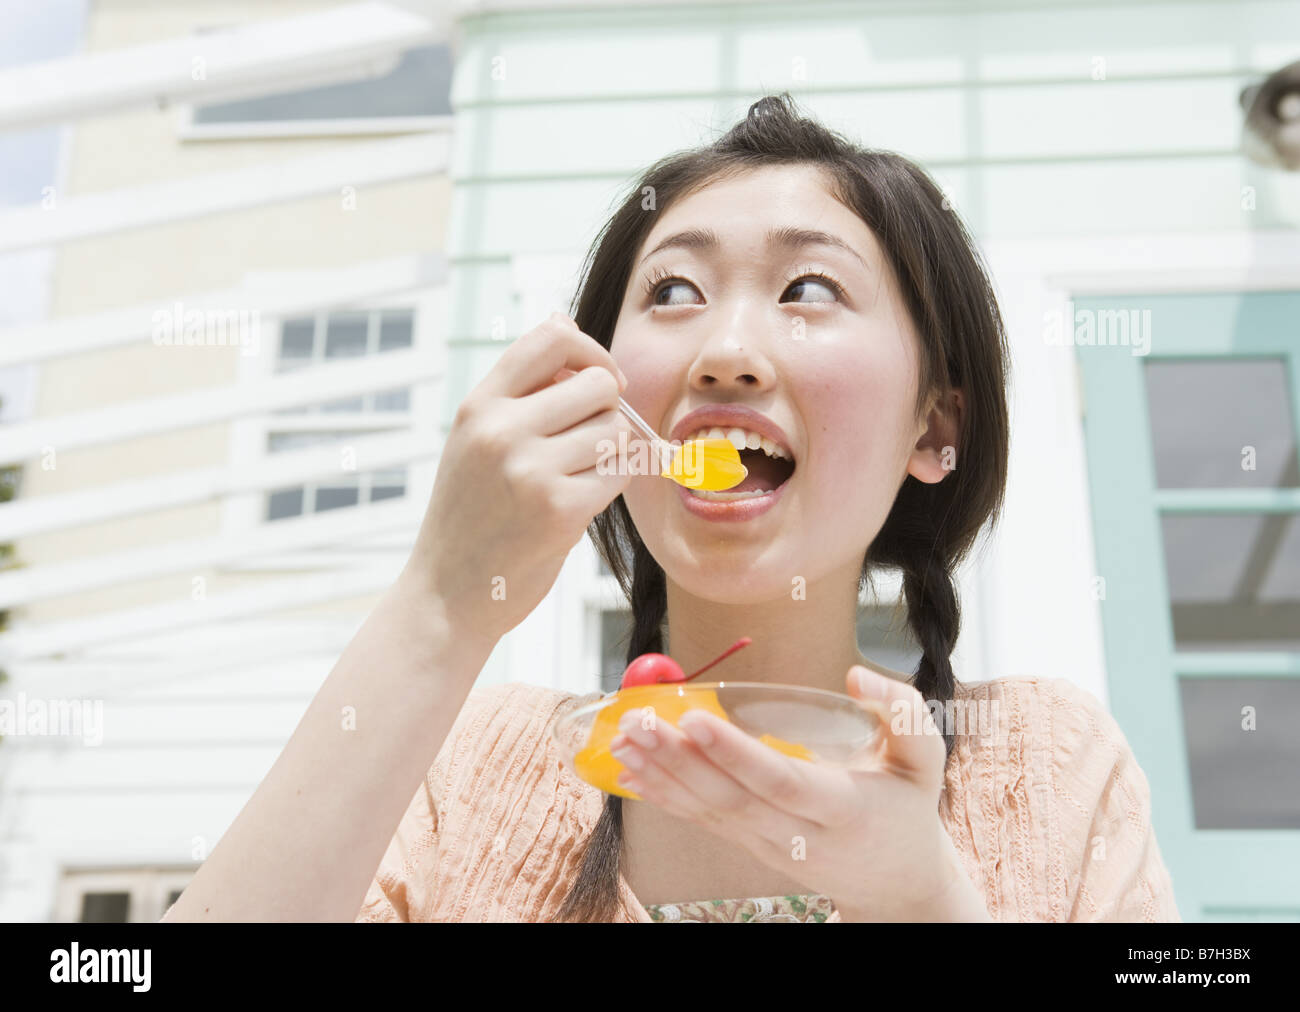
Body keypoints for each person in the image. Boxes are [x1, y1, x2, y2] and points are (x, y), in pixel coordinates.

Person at [161, 93, 1180, 923]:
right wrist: (440, 602)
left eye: (810, 288)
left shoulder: (1049, 768)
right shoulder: (467, 768)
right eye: (673, 292)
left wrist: (921, 899)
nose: (723, 349)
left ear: (932, 426)